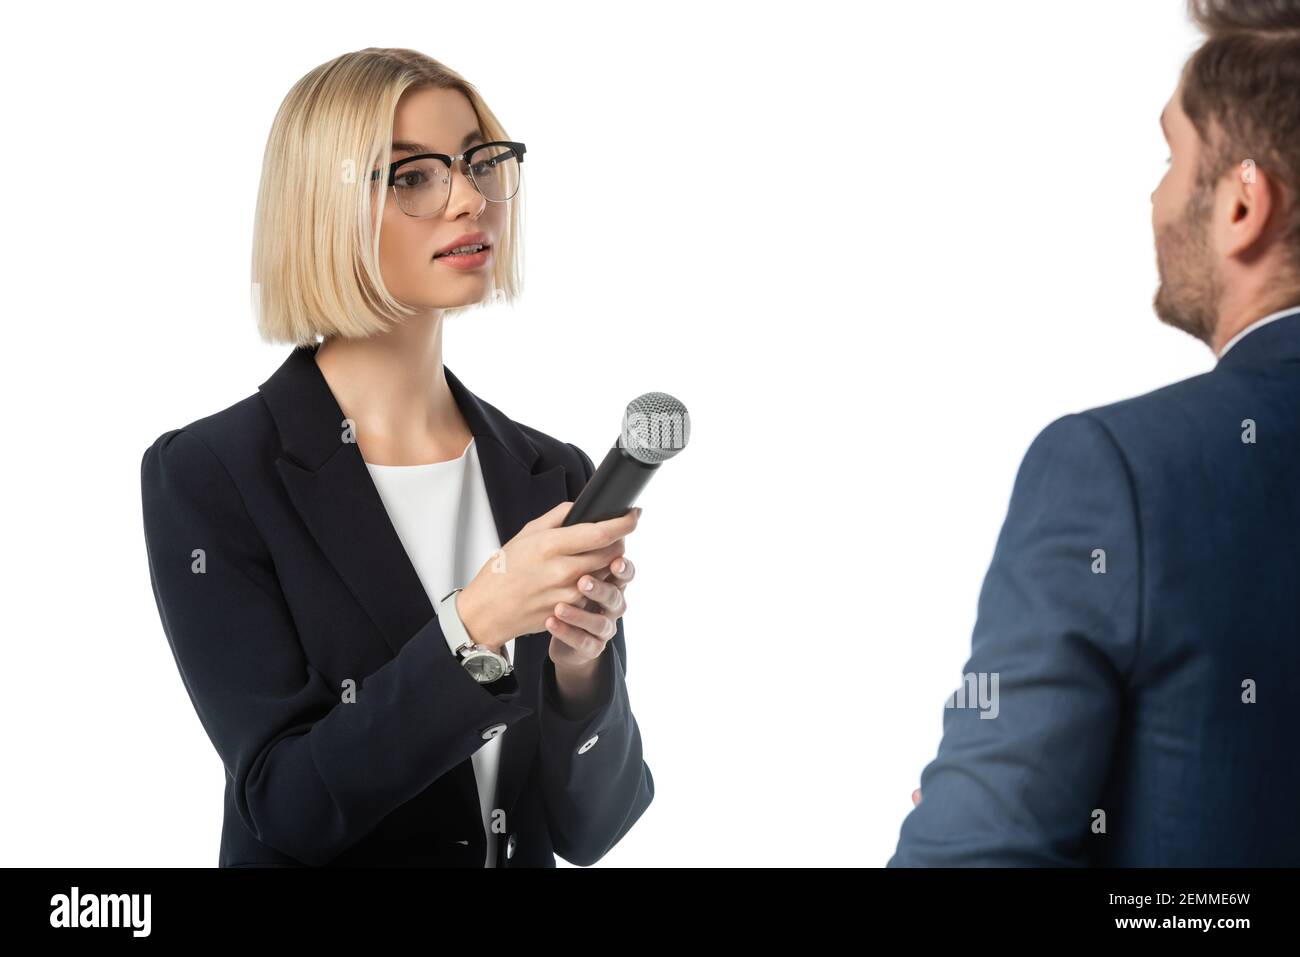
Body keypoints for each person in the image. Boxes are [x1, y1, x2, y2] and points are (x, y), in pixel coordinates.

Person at [140, 47, 653, 868]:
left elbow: (591, 829)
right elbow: (291, 804)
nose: (467, 198)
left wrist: (579, 669)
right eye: (412, 176)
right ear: (320, 209)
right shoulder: (211, 476)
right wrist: (478, 619)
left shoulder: (549, 472)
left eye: (480, 162)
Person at [890, 0, 1300, 866]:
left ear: (1242, 204)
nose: (1155, 197)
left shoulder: (1117, 474)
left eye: (1171, 157)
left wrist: (969, 810)